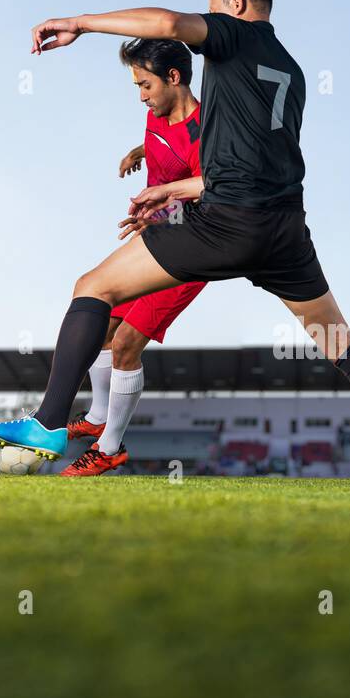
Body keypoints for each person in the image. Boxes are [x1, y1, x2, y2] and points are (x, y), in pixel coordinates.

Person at [0, 0, 350, 484]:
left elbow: (169, 24)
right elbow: (245, 154)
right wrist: (172, 186)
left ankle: (49, 424)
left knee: (92, 288)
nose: (208, 19)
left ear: (235, 5)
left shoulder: (233, 37)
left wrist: (80, 22)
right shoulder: (293, 71)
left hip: (225, 222)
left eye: (214, 6)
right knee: (341, 344)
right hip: (286, 231)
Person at [62, 38, 205, 476]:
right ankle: (98, 416)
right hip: (152, 242)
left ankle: (110, 447)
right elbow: (162, 143)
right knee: (100, 321)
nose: (141, 95)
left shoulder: (208, 135)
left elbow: (213, 203)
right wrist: (137, 152)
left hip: (189, 253)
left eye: (145, 85)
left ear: (174, 78)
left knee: (125, 346)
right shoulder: (155, 115)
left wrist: (161, 215)